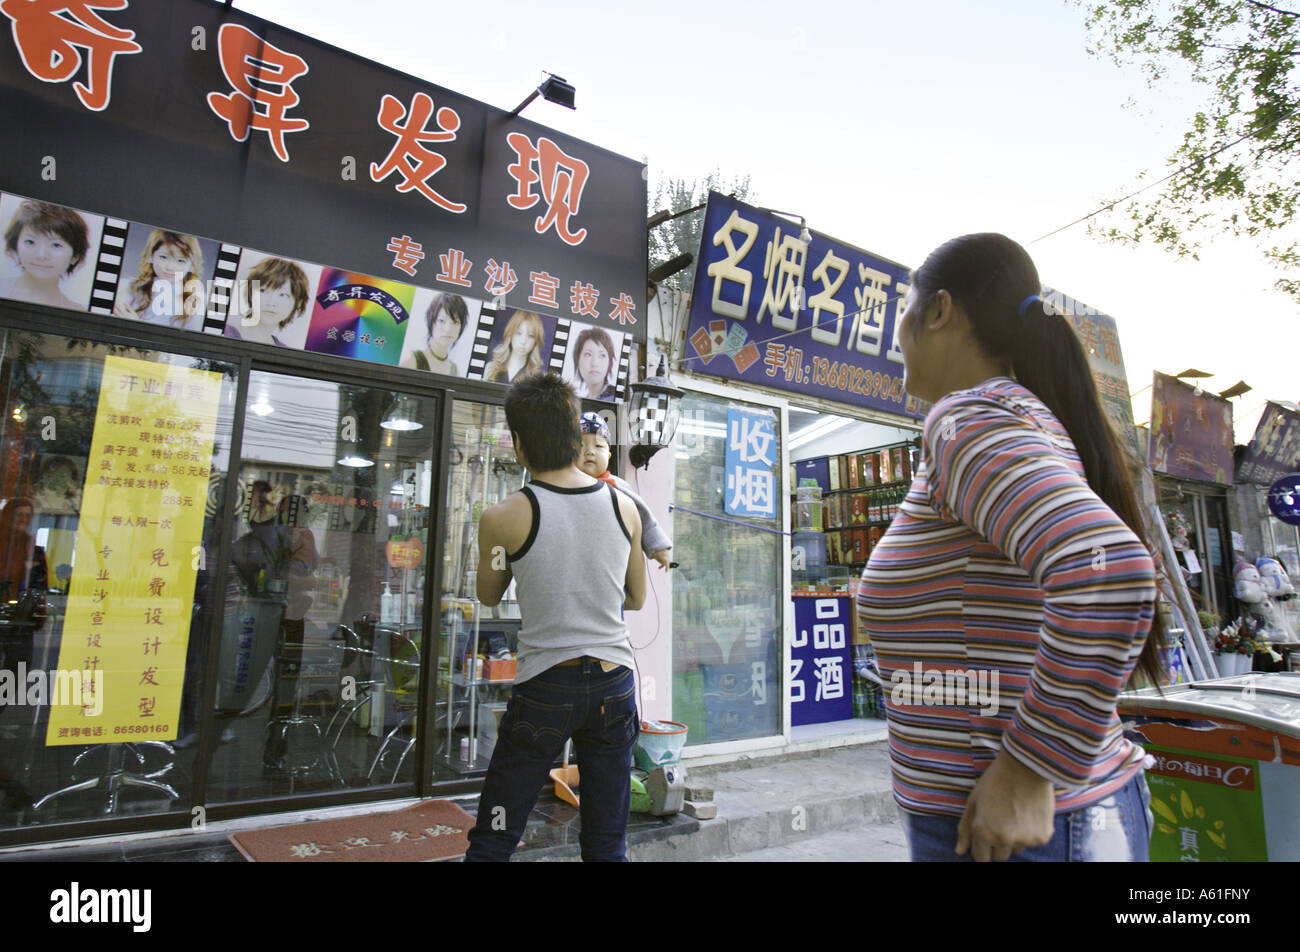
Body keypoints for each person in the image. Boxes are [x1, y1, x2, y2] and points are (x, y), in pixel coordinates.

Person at [856, 233, 1163, 863]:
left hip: (1014, 827)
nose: (896, 339)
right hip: (1048, 819)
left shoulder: (967, 419)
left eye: (904, 312)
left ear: (939, 311)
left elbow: (1109, 572)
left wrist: (1028, 769)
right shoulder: (1015, 418)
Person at [465, 372, 646, 862]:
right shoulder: (624, 507)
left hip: (546, 687)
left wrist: (506, 558)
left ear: (520, 444)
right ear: (574, 434)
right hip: (614, 684)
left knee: (496, 832)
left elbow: (488, 594)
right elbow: (635, 599)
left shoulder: (503, 515)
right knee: (608, 840)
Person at [577, 412, 672, 571]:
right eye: (580, 445)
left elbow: (643, 515)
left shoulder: (615, 485)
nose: (590, 451)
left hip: (610, 562)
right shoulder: (564, 486)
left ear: (608, 455)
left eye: (598, 445)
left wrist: (658, 546)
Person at [0, 200, 90, 311]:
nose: (41, 255)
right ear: (15, 245)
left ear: (75, 256)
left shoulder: (77, 312)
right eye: (30, 242)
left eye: (56, 245)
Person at [113, 229, 206, 331]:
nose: (170, 267)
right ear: (151, 256)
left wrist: (138, 327)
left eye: (181, 261)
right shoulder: (127, 287)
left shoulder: (201, 301)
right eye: (163, 257)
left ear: (192, 265)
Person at [223, 257, 311, 347]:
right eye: (263, 291)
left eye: (283, 295)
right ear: (250, 293)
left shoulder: (284, 351)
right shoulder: (224, 334)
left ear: (298, 303)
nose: (271, 303)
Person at [402, 293, 467, 375]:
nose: (448, 329)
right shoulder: (411, 361)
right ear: (431, 321)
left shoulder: (455, 371)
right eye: (441, 320)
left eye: (455, 322)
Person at [484, 309, 545, 383]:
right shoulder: (491, 368)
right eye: (518, 333)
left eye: (531, 336)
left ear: (536, 341)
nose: (523, 341)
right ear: (510, 334)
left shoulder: (537, 378)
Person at [569, 326, 618, 400]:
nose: (594, 363)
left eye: (602, 355)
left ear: (609, 362)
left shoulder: (615, 397)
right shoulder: (582, 398)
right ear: (577, 359)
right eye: (588, 354)